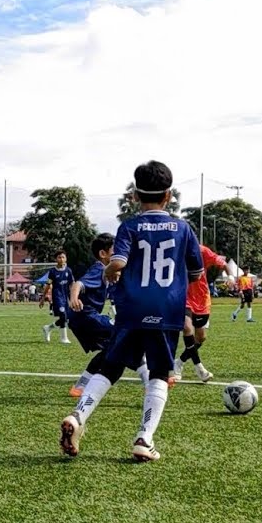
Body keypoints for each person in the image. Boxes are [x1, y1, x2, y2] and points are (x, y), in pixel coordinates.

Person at [60, 160, 203, 462]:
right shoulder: (183, 228)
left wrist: (113, 270)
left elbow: (120, 261)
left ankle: (78, 416)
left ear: (135, 196)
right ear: (169, 195)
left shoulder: (129, 226)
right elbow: (195, 273)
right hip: (166, 309)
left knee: (111, 365)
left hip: (130, 309)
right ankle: (144, 438)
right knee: (160, 372)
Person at [66, 233, 152, 398]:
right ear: (103, 254)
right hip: (86, 316)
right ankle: (148, 382)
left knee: (110, 349)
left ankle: (80, 386)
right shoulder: (98, 269)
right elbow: (77, 284)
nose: (119, 254)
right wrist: (74, 298)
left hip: (81, 320)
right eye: (115, 251)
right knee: (127, 338)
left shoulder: (108, 273)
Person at [174, 242, 228, 383]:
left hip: (202, 299)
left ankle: (178, 363)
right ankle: (200, 368)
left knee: (201, 338)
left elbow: (222, 263)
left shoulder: (202, 251)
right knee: (187, 328)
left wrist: (231, 278)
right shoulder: (174, 249)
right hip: (183, 297)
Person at [39, 250, 74, 344]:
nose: (62, 259)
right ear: (56, 259)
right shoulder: (52, 272)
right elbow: (48, 285)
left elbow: (72, 284)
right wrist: (43, 298)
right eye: (59, 257)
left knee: (65, 318)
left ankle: (48, 328)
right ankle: (64, 338)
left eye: (63, 257)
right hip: (57, 296)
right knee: (63, 315)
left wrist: (74, 297)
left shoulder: (68, 270)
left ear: (66, 258)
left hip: (65, 296)